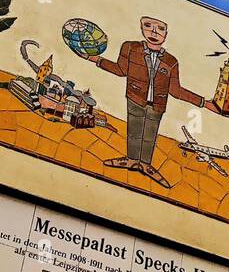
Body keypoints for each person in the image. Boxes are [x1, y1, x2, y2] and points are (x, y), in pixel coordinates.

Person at [86, 16, 219, 189]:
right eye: (148, 26)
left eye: (160, 28)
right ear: (141, 28)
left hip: (157, 105)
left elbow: (176, 90)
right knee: (134, 132)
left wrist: (205, 103)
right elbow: (120, 70)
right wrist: (96, 60)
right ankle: (131, 160)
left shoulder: (171, 62)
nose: (154, 32)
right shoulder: (130, 48)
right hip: (135, 98)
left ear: (166, 33)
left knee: (149, 136)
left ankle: (145, 165)